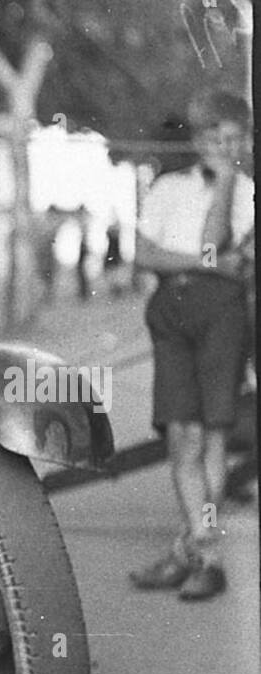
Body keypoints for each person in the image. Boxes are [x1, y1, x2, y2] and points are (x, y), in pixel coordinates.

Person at [129, 90, 254, 600]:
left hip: (220, 315)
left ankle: (205, 551)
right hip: (171, 314)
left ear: (244, 140)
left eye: (232, 139)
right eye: (212, 138)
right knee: (181, 436)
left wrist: (225, 181)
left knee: (213, 438)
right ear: (198, 140)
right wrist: (205, 264)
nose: (221, 147)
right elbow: (144, 254)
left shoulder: (246, 191)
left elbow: (213, 239)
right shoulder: (166, 187)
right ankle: (192, 546)